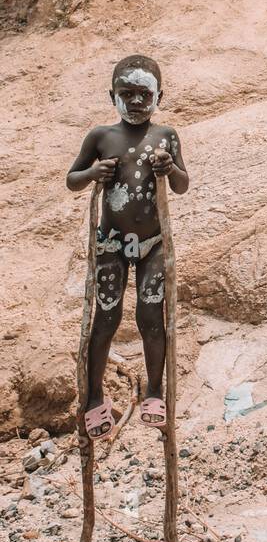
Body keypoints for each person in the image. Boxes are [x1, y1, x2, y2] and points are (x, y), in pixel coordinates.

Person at [67, 55, 188, 437]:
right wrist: (92, 172)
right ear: (112, 96)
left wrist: (169, 169)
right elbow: (72, 179)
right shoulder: (101, 137)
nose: (136, 101)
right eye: (127, 93)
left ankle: (155, 392)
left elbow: (183, 184)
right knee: (105, 320)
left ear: (159, 96)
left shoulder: (166, 135)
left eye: (144, 93)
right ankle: (94, 398)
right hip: (111, 245)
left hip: (154, 246)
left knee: (152, 320)